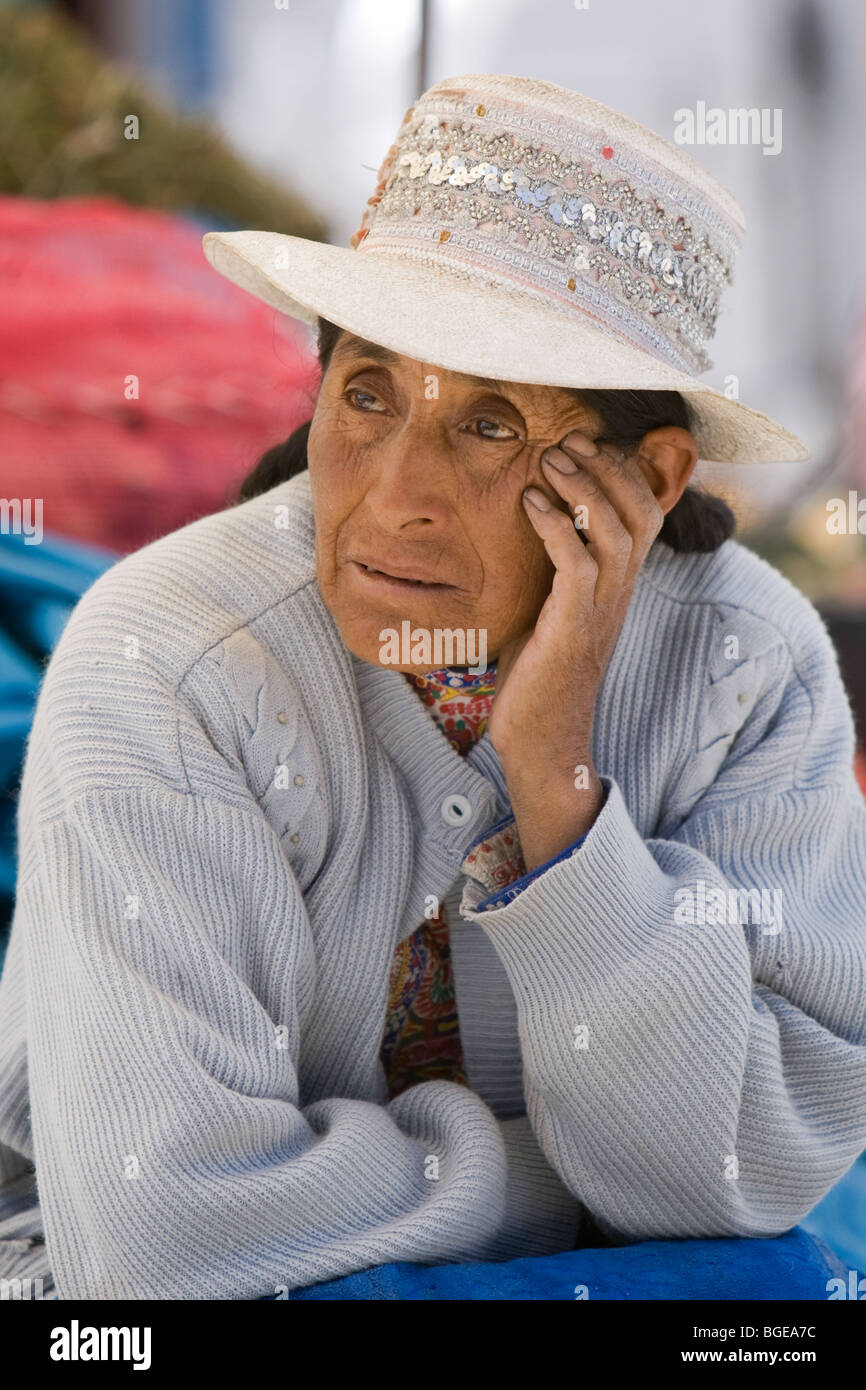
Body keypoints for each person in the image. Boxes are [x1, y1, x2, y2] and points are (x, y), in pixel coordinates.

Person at [1, 73, 865, 1301]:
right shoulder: (171, 655)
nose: (394, 491)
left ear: (651, 475)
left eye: (491, 426)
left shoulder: (745, 665)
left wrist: (559, 792)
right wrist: (553, 1183)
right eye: (365, 394)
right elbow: (162, 1237)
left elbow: (742, 1174)